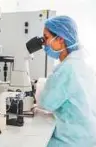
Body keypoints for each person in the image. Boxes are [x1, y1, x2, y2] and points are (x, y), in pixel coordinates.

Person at [39, 15, 96, 147]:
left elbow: (46, 102)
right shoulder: (82, 65)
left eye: (46, 37)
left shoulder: (67, 70)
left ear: (60, 39)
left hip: (72, 141)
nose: (44, 43)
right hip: (88, 136)